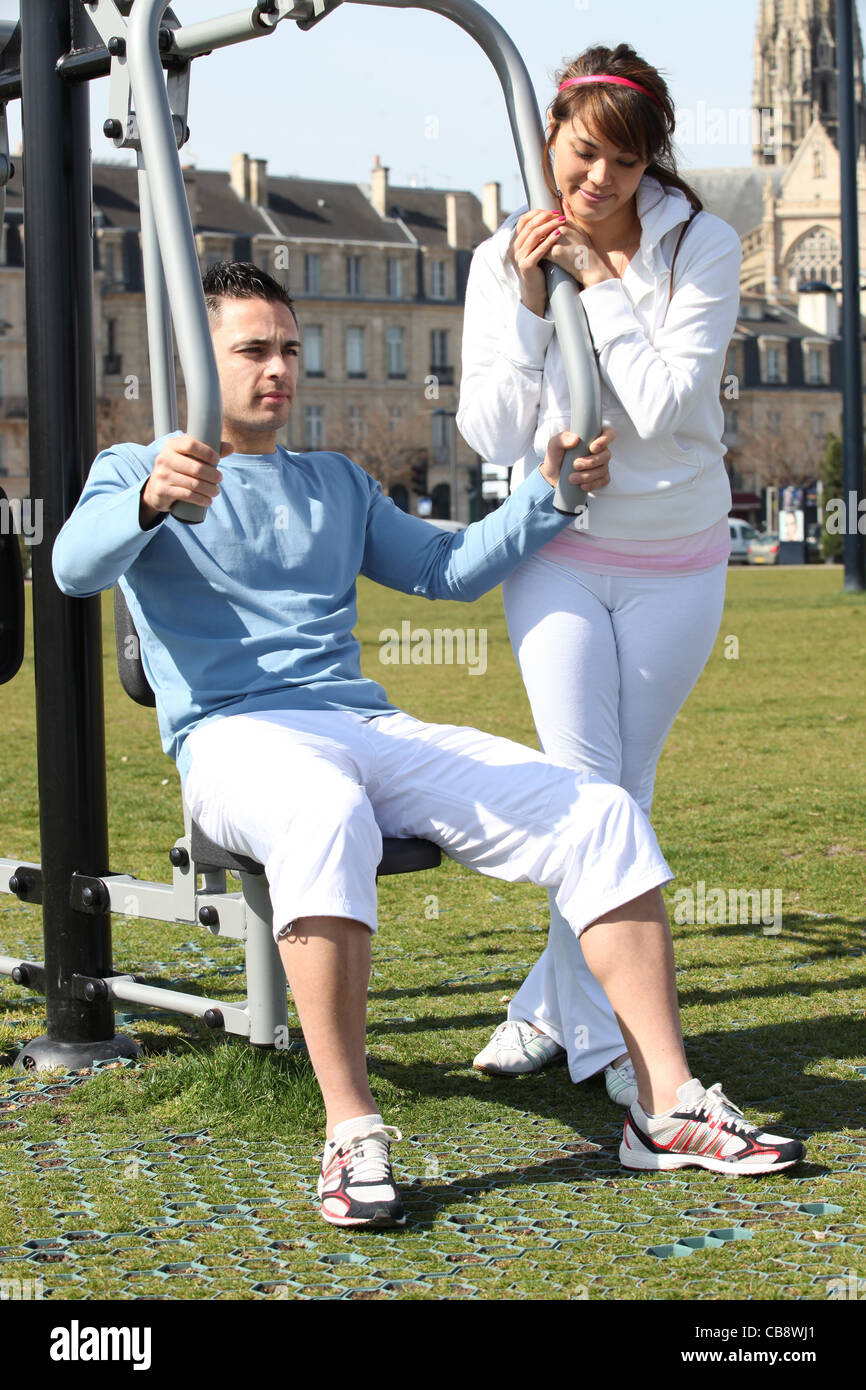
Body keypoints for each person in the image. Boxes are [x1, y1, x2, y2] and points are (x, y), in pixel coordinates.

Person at [52, 263, 803, 1231]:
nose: (279, 368)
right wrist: (150, 499)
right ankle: (350, 1127)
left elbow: (445, 571)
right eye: (253, 350)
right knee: (323, 812)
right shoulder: (139, 465)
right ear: (197, 362)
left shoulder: (332, 480)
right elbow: (74, 569)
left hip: (363, 723)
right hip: (235, 736)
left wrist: (547, 497)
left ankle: (663, 1106)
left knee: (599, 812)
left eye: (288, 348)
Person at [458, 45, 741, 1107]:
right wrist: (533, 297)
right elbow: (487, 427)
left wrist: (595, 278)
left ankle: (547, 1005)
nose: (597, 184)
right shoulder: (504, 252)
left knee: (620, 794)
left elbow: (666, 405)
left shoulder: (701, 245)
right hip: (559, 553)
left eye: (621, 167)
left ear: (647, 164)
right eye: (581, 156)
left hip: (678, 555)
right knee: (587, 797)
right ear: (549, 142)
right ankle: (615, 1050)